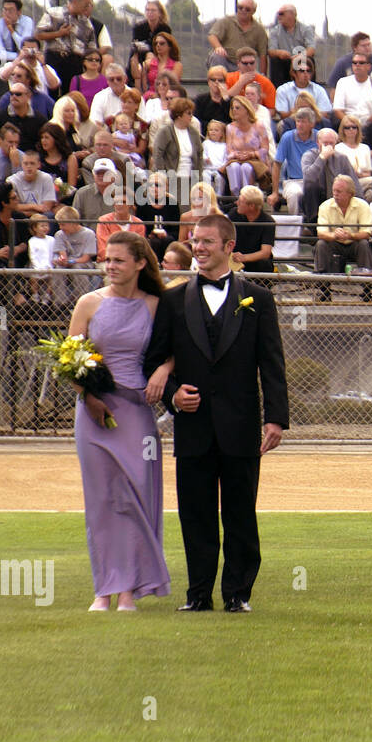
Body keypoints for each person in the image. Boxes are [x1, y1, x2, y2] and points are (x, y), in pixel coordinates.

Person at [144, 214, 288, 613]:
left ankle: (238, 594)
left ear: (229, 246)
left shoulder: (258, 298)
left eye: (207, 241)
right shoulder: (173, 300)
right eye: (194, 241)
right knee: (196, 514)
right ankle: (198, 594)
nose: (199, 248)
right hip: (193, 427)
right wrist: (173, 395)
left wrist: (275, 418)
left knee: (241, 514)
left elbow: (271, 363)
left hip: (240, 424)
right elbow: (152, 361)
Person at [69, 232, 172, 611]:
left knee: (134, 499)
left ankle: (129, 589)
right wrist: (90, 396)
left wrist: (163, 369)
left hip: (137, 413)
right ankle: (104, 589)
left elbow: (177, 349)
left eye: (118, 261)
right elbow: (71, 357)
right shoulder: (88, 303)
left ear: (140, 263)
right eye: (106, 260)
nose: (110, 267)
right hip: (95, 413)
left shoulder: (157, 305)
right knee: (101, 501)